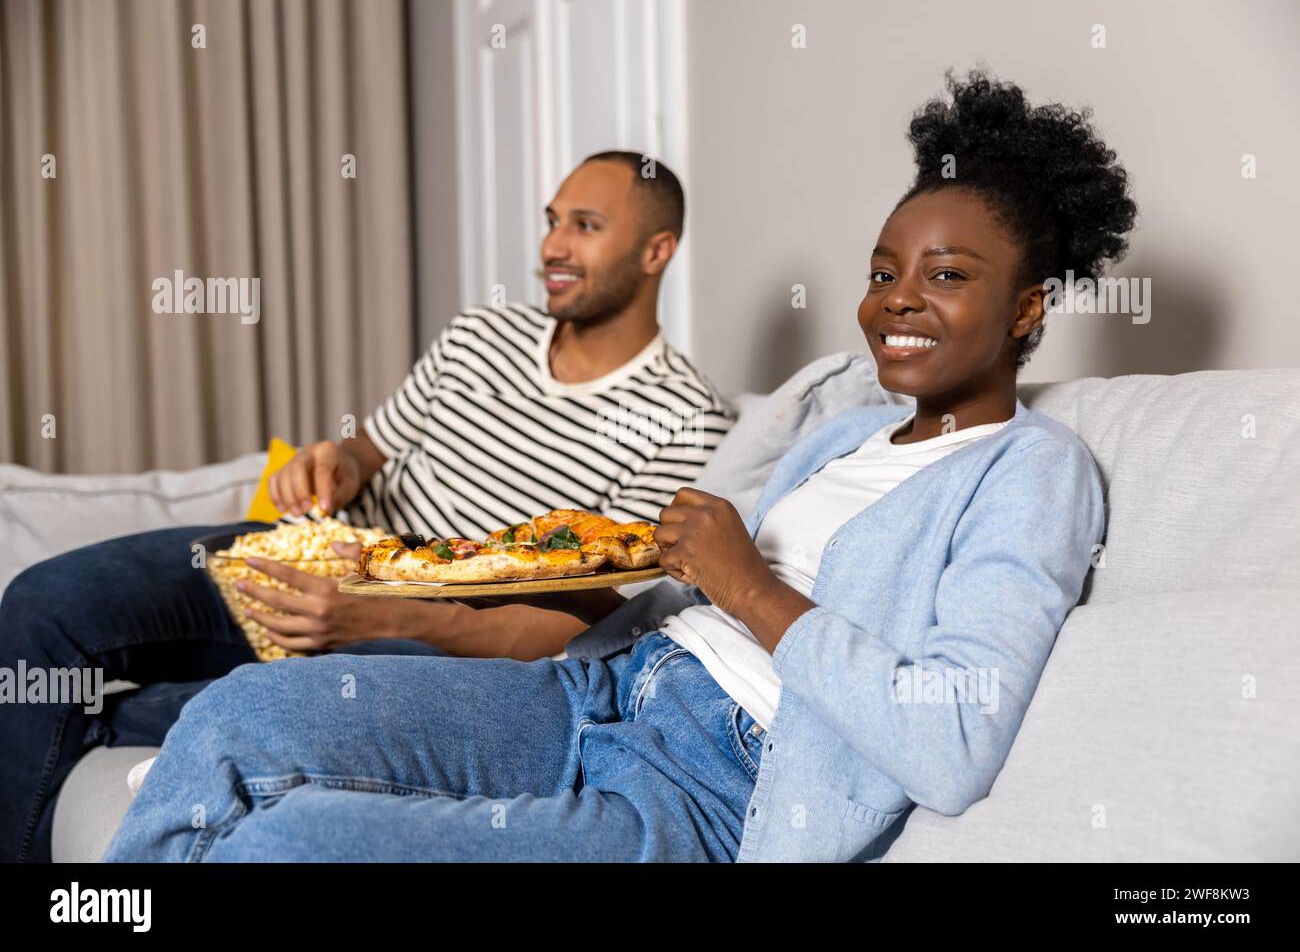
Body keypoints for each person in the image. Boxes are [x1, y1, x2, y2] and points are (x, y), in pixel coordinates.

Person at [103, 69, 1134, 863]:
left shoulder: (1032, 470)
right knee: (234, 715)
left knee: (289, 839)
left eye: (946, 275)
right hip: (595, 689)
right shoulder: (838, 431)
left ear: (1027, 307)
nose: (898, 298)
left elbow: (950, 740)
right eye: (881, 272)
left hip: (710, 780)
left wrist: (745, 584)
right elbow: (646, 593)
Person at [0, 151, 734, 863]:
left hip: (431, 634)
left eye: (584, 225)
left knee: (165, 711)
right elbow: (369, 450)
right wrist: (334, 463)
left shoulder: (684, 417)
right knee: (40, 607)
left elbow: (588, 618)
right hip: (317, 551)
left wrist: (381, 612)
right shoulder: (484, 333)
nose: (553, 245)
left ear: (655, 250)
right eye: (551, 220)